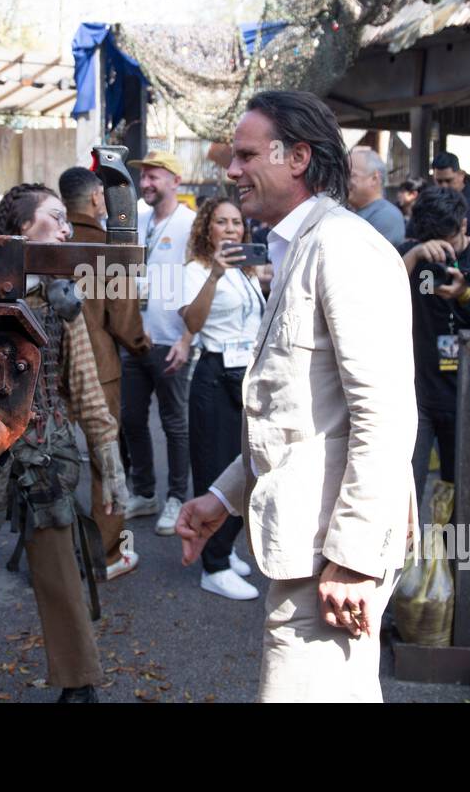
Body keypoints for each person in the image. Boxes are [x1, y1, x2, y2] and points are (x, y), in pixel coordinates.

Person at [175, 90, 418, 702]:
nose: (231, 172)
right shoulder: (302, 246)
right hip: (312, 542)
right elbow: (297, 417)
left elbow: (383, 416)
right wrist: (223, 498)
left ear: (298, 157)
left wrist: (356, 557)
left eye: (245, 155)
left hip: (331, 549)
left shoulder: (343, 249)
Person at [0, 184, 125, 703]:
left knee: (58, 565)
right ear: (20, 227)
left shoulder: (61, 295)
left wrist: (107, 457)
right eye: (54, 218)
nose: (65, 228)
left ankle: (78, 684)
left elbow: (81, 380)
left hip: (45, 447)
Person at [60, 166, 152, 577]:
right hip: (99, 366)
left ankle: (53, 554)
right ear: (98, 199)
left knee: (49, 457)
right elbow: (126, 321)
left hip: (47, 367)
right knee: (105, 459)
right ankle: (108, 555)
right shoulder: (107, 246)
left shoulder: (50, 243)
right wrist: (143, 346)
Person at [400, 187, 470, 501]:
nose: (441, 251)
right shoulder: (412, 257)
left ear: (464, 225)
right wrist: (414, 255)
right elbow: (381, 297)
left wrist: (466, 296)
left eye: (447, 240)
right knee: (406, 487)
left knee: (464, 493)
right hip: (418, 392)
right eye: (432, 241)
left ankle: (458, 552)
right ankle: (405, 551)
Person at [178, 196, 264, 600]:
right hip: (213, 376)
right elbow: (192, 322)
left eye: (237, 222)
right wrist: (214, 275)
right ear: (206, 229)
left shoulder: (246, 271)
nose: (231, 229)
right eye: (222, 222)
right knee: (214, 469)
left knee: (245, 464)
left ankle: (224, 549)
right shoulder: (196, 269)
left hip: (244, 376)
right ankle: (212, 567)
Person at [122, 149, 195, 536]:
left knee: (174, 424)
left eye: (155, 177)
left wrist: (187, 338)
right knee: (132, 418)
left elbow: (201, 286)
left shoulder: (191, 224)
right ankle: (146, 492)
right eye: (144, 177)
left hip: (171, 340)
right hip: (136, 339)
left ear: (175, 181)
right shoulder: (140, 218)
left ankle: (177, 498)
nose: (146, 183)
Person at [346, 146, 405, 247]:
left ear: (374, 178)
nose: (343, 181)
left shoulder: (387, 216)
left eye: (351, 175)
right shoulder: (350, 210)